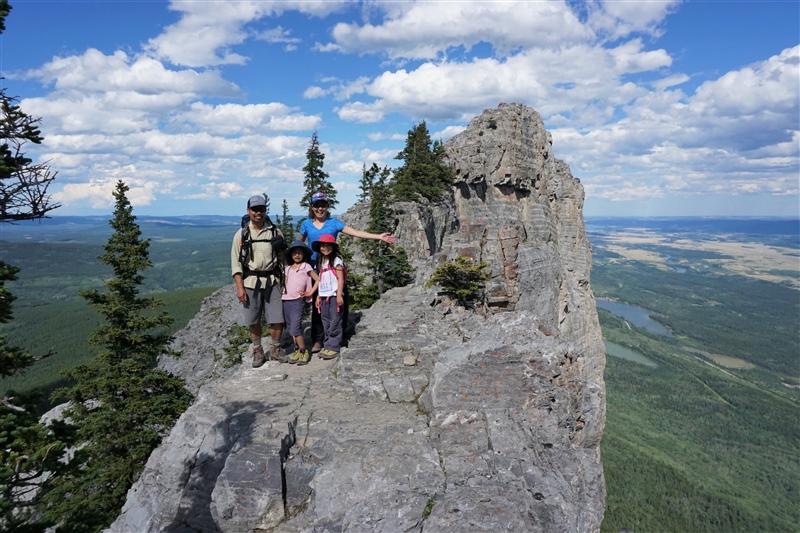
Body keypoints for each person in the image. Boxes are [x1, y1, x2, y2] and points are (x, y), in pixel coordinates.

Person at [299, 191, 396, 352]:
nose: (320, 208)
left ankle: (339, 335)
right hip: (316, 270)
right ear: (312, 207)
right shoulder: (306, 224)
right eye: (317, 205)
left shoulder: (334, 223)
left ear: (327, 207)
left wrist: (379, 236)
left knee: (340, 301)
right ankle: (318, 338)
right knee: (319, 305)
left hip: (333, 268)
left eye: (323, 205)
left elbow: (357, 233)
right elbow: (300, 244)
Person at [231, 195, 287, 367]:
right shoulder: (241, 234)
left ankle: (276, 348)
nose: (258, 212)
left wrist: (288, 282)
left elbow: (283, 260)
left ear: (265, 210)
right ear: (248, 211)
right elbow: (236, 263)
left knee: (277, 317)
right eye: (255, 209)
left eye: (261, 209)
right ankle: (257, 351)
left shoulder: (275, 232)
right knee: (253, 319)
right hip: (250, 281)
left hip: (272, 280)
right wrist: (239, 287)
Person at [282, 240, 319, 366]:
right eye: (294, 253)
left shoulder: (306, 266)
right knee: (291, 328)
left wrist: (310, 292)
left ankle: (304, 351)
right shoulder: (287, 269)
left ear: (304, 254)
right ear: (291, 255)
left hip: (298, 300)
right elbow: (285, 283)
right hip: (286, 300)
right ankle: (296, 349)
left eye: (300, 253)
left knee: (296, 328)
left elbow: (318, 279)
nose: (297, 255)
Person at [312, 234, 345, 359]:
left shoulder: (336, 260)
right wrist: (318, 296)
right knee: (325, 321)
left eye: (328, 246)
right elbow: (320, 279)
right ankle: (327, 345)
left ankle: (334, 346)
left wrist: (339, 295)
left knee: (335, 320)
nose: (325, 248)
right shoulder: (320, 261)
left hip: (334, 295)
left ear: (333, 247)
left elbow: (340, 279)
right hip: (324, 295)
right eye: (323, 246)